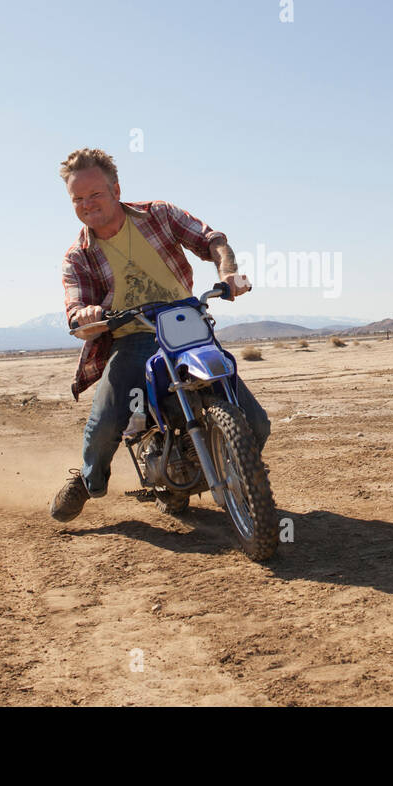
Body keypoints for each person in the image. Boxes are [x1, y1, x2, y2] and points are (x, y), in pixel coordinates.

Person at [49, 148, 271, 522]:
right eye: (78, 199)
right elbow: (76, 315)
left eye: (95, 195)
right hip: (133, 336)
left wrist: (228, 273)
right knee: (104, 424)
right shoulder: (79, 256)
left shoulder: (158, 214)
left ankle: (201, 458)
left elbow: (211, 239)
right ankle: (88, 481)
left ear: (116, 189)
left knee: (257, 423)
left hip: (188, 328)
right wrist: (86, 315)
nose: (87, 204)